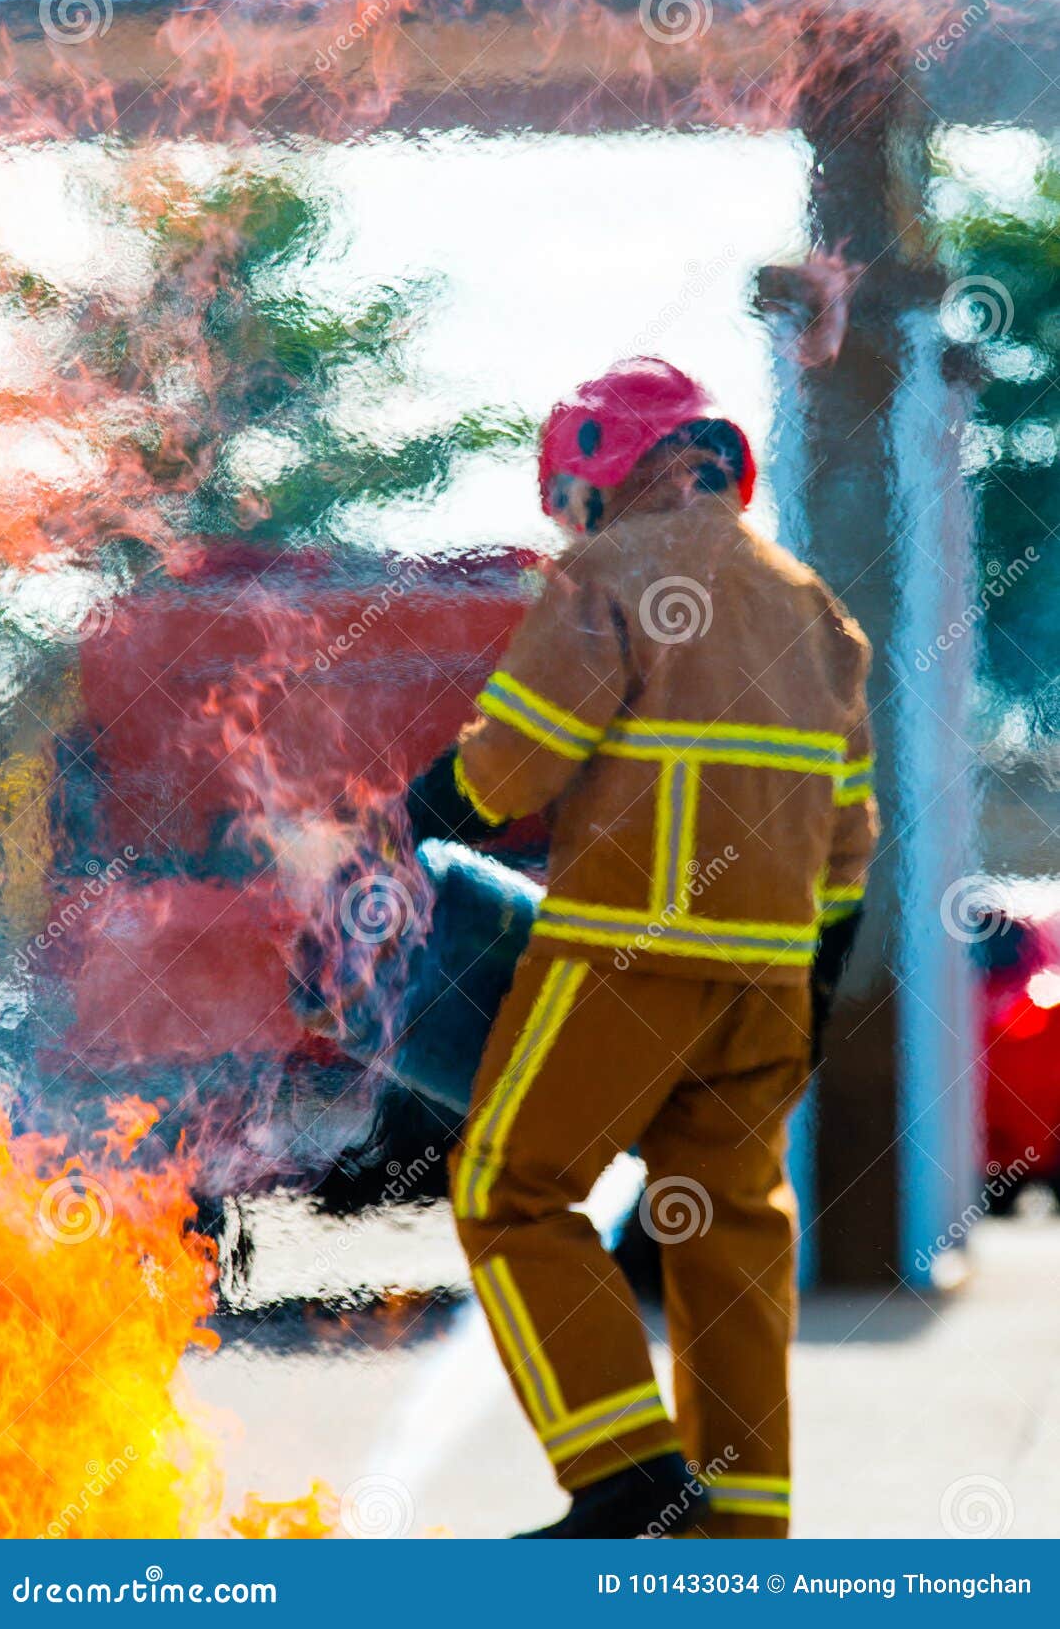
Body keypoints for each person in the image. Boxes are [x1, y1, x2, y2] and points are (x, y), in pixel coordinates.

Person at [407, 357, 878, 1539]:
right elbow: (849, 838)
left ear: (607, 462)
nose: (569, 517)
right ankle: (736, 1530)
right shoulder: (815, 608)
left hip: (623, 954)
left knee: (512, 1188)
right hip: (770, 980)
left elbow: (514, 762)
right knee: (724, 1229)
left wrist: (414, 814)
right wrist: (810, 984)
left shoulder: (610, 571)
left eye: (571, 488)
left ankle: (622, 1476)